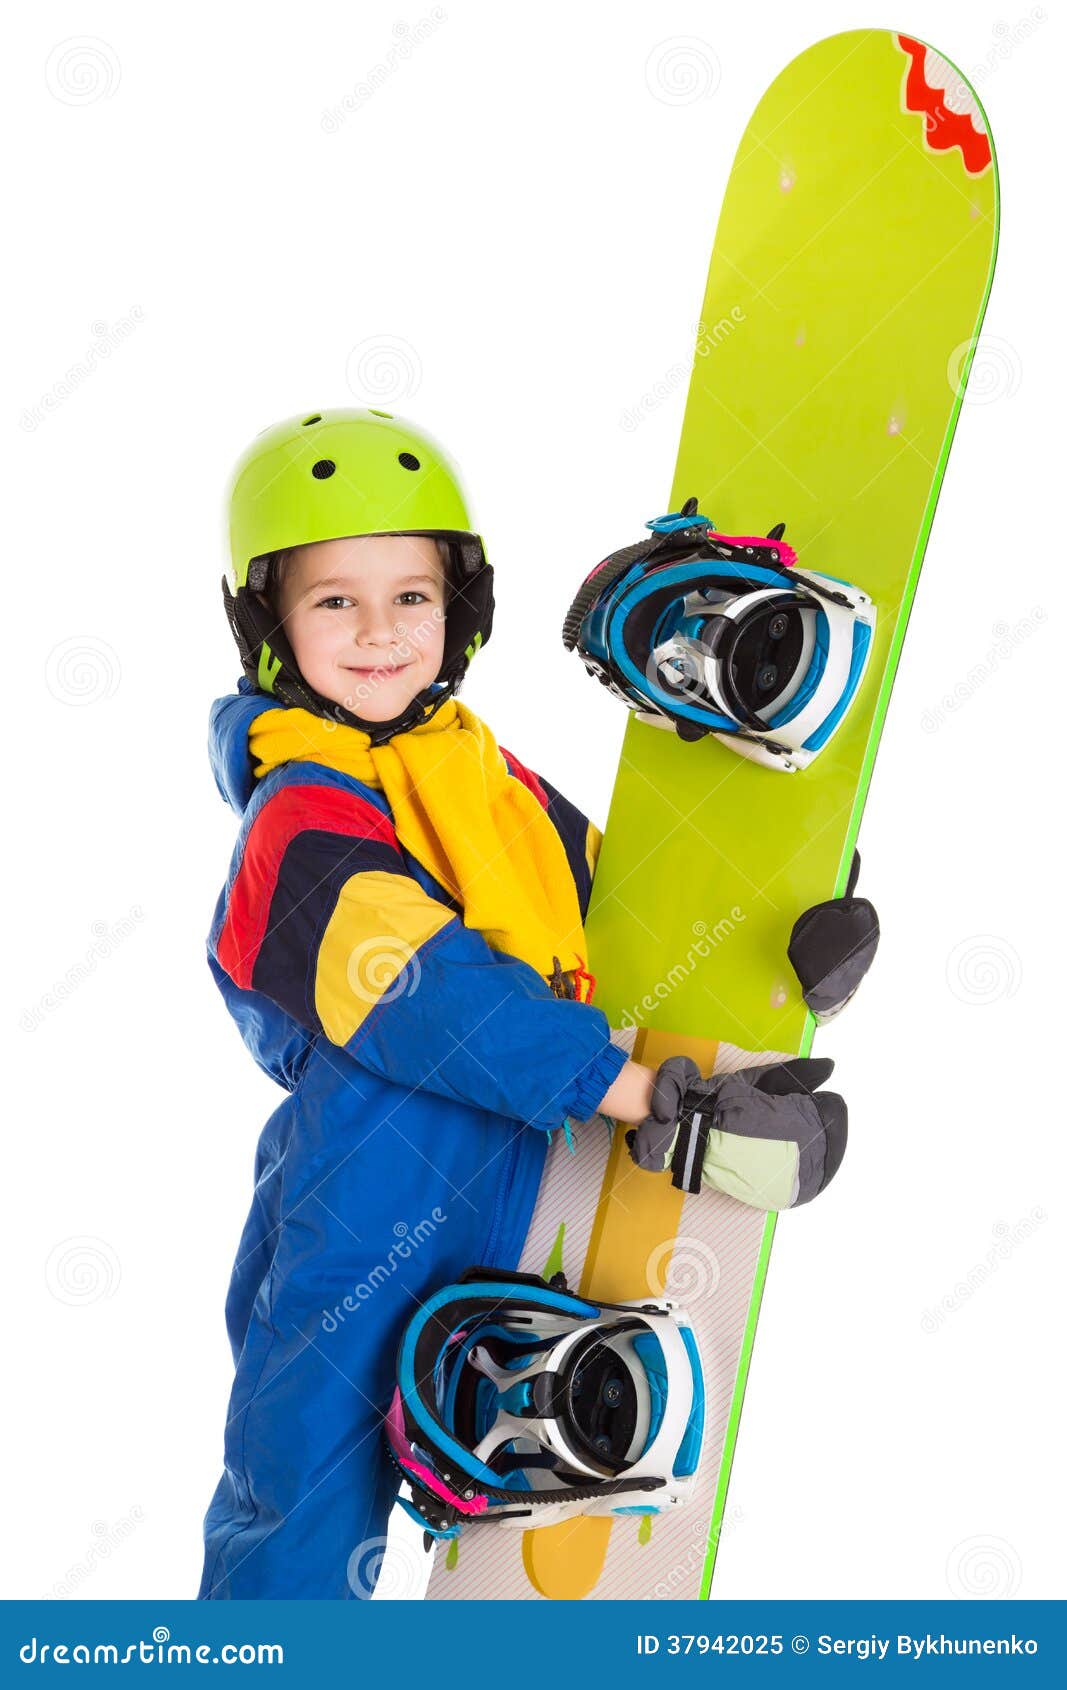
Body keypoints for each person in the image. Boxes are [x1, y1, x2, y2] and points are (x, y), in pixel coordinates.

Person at [197, 407, 654, 1599]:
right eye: (334, 601)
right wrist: (627, 1087)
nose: (380, 631)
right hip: (364, 1202)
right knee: (304, 1499)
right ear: (269, 625)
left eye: (411, 595)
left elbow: (620, 903)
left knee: (527, 1478)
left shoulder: (487, 779)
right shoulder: (296, 812)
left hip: (544, 1181)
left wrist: (787, 916)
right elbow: (414, 983)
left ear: (461, 607)